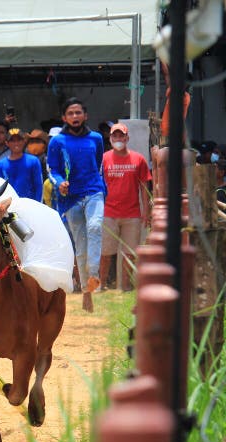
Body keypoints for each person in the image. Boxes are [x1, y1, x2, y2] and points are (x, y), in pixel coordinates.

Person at [47, 97, 106, 312]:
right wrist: (60, 182)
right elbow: (52, 169)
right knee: (80, 248)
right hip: (70, 197)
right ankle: (86, 291)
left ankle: (94, 277)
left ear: (85, 115)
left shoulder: (96, 138)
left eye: (78, 113)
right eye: (70, 113)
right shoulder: (57, 142)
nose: (75, 117)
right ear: (64, 117)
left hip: (93, 191)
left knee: (95, 226)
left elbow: (98, 162)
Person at [99, 123, 152, 292]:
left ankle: (125, 286)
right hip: (108, 212)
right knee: (106, 253)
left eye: (121, 136)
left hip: (132, 214)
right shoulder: (104, 158)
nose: (118, 139)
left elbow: (144, 187)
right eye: (115, 136)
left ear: (127, 138)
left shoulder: (139, 159)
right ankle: (102, 284)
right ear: (110, 138)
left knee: (129, 253)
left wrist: (146, 212)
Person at [0, 128, 44, 202]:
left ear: (24, 141)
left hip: (29, 205)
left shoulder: (33, 161)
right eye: (12, 141)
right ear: (7, 143)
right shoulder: (0, 165)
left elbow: (39, 186)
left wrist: (38, 205)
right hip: (8, 207)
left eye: (19, 140)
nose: (16, 143)